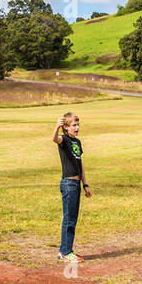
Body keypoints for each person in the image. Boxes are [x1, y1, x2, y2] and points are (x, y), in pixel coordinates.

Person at [53, 112, 91, 262]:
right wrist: (56, 126)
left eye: (78, 124)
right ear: (66, 127)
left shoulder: (78, 142)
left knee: (72, 219)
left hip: (76, 184)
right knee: (68, 219)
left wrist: (85, 184)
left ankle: (67, 250)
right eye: (74, 125)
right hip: (68, 184)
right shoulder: (64, 140)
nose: (77, 128)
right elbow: (54, 139)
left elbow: (80, 165)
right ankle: (65, 252)